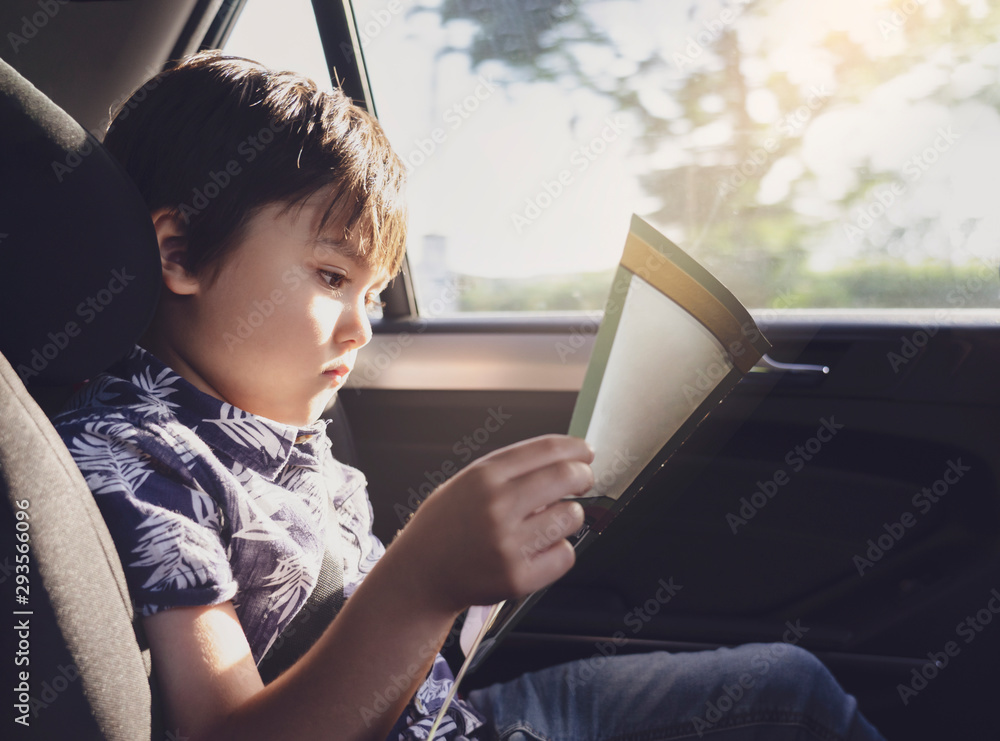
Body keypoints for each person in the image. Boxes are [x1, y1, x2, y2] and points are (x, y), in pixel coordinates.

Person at [54, 51, 885, 741]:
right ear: (181, 251)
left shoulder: (280, 427)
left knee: (789, 685)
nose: (361, 328)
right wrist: (424, 578)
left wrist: (480, 577)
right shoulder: (135, 456)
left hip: (461, 718)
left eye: (374, 295)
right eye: (332, 276)